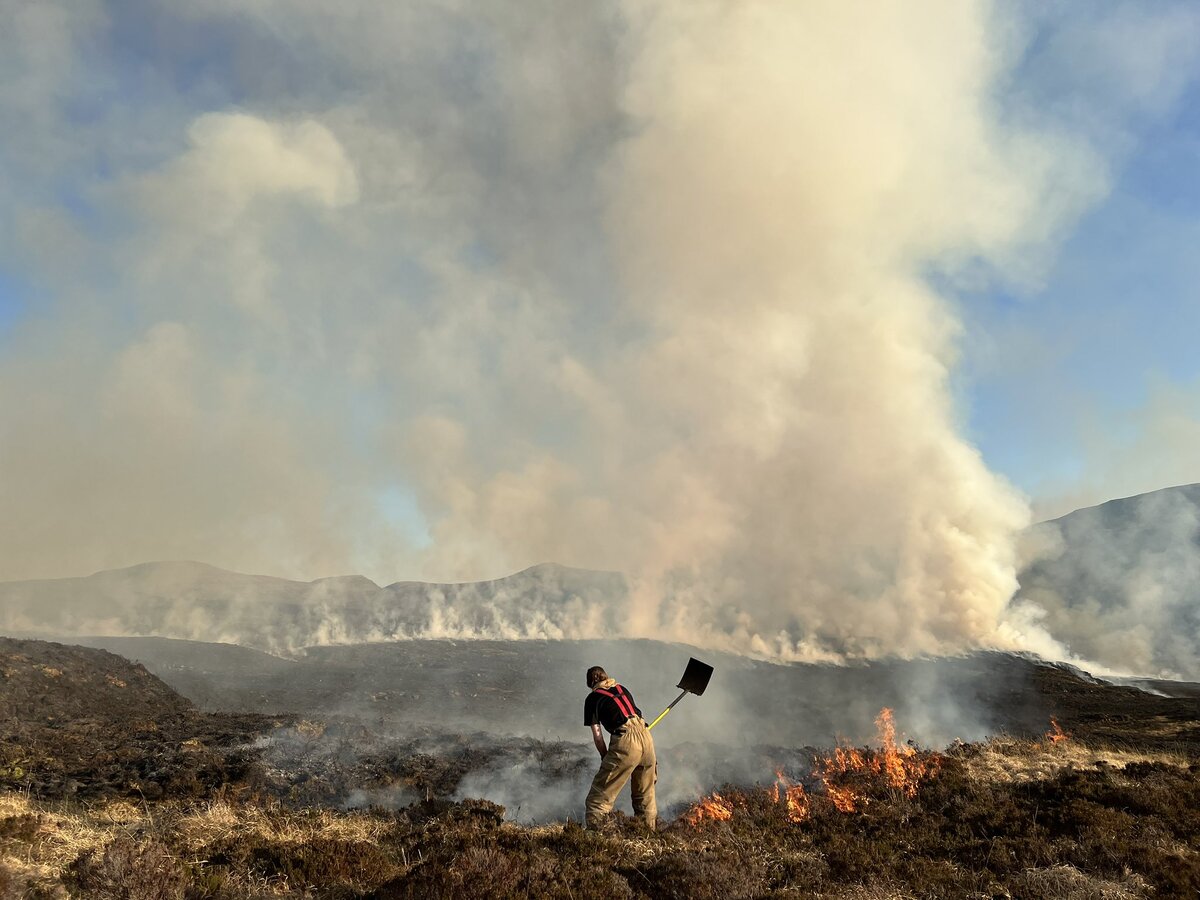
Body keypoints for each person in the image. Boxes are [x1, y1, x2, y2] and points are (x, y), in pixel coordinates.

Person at [583, 665, 657, 829]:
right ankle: (648, 836)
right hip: (646, 737)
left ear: (590, 683)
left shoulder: (592, 698)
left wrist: (605, 756)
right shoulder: (622, 688)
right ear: (605, 676)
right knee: (644, 795)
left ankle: (595, 839)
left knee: (598, 798)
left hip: (626, 741)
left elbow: (597, 735)